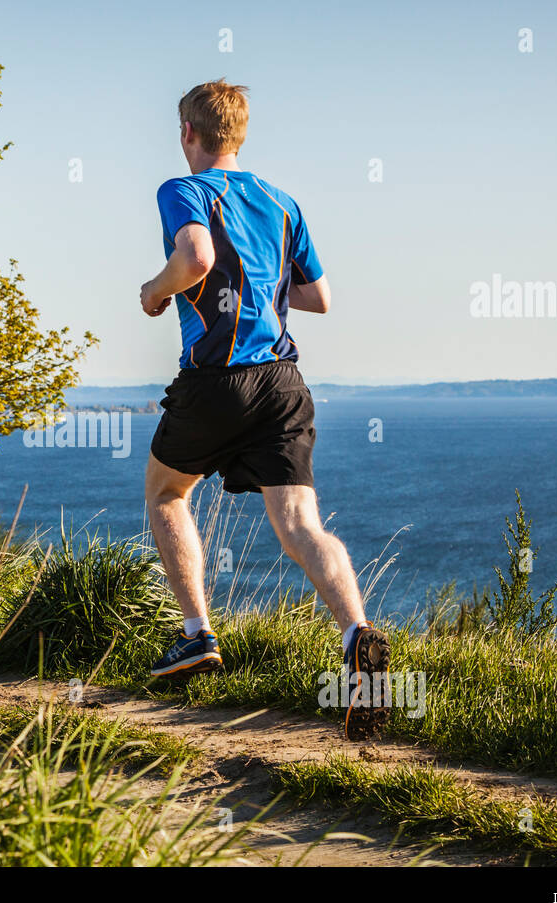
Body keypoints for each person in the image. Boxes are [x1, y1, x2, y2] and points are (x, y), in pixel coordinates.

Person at [139, 79, 389, 739]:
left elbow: (194, 256)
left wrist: (155, 289)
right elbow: (319, 297)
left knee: (166, 494)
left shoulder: (184, 189)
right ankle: (357, 635)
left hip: (216, 379)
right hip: (283, 381)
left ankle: (196, 636)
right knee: (301, 525)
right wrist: (259, 291)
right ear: (240, 135)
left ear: (188, 134)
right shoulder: (282, 203)